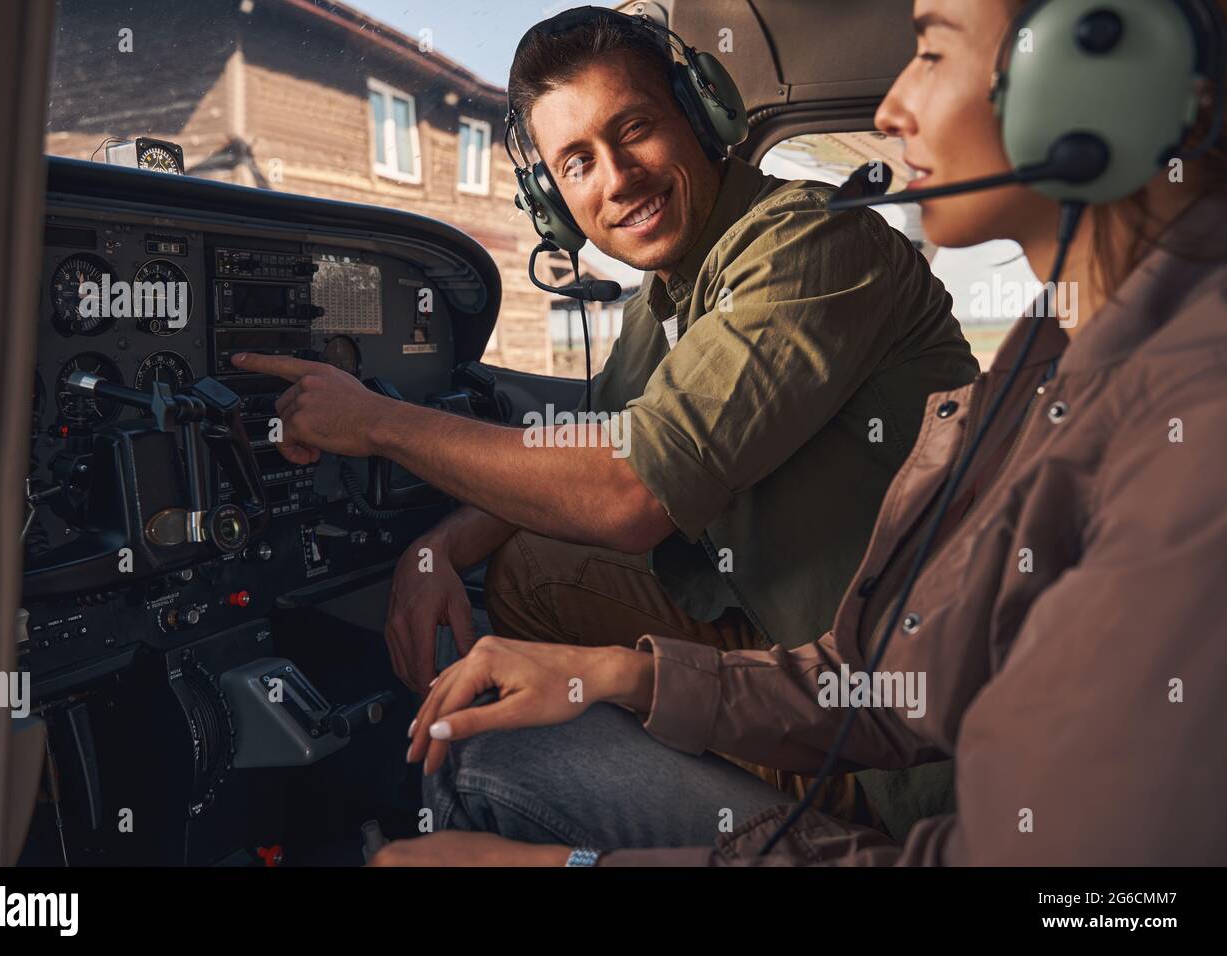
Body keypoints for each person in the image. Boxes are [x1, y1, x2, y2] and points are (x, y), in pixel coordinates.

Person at [373, 0, 1227, 866]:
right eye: (578, 162)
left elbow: (1080, 892)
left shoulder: (1177, 420)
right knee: (531, 586)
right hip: (854, 694)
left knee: (483, 766)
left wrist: (576, 867)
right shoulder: (1045, 364)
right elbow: (882, 681)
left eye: (931, 52)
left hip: (914, 783)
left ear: (1092, 75)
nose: (893, 110)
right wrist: (592, 656)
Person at [234, 7, 977, 825]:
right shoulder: (664, 298)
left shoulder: (812, 245)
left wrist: (379, 423)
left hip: (891, 731)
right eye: (578, 161)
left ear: (702, 117)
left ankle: (807, 828)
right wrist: (433, 549)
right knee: (532, 569)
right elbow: (587, 448)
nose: (617, 180)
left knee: (485, 765)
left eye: (635, 130)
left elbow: (627, 494)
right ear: (553, 199)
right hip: (788, 650)